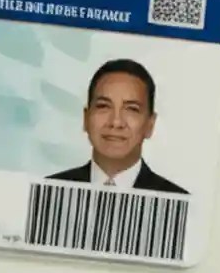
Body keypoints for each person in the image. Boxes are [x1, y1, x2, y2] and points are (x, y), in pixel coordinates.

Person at [46, 59, 187, 194]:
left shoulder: (177, 201)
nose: (116, 122)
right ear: (86, 118)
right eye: (103, 106)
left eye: (132, 109)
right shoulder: (49, 191)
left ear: (150, 125)